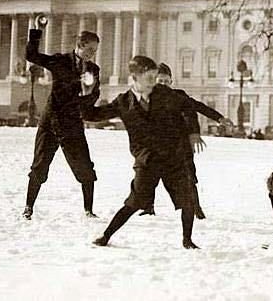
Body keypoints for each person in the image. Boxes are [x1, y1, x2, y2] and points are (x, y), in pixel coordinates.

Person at [84, 56, 203, 250]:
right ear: (135, 78)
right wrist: (89, 93)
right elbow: (93, 115)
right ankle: (106, 236)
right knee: (135, 202)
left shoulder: (164, 94)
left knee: (187, 200)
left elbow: (188, 106)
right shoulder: (124, 102)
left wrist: (193, 132)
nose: (153, 82)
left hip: (172, 157)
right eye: (149, 78)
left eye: (155, 77)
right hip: (147, 160)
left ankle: (187, 240)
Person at [23, 26, 101, 220]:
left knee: (85, 168)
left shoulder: (93, 70)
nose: (92, 54)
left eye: (95, 51)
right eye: (90, 50)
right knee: (39, 167)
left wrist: (88, 93)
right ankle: (28, 207)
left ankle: (89, 210)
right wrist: (36, 31)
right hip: (50, 122)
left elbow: (95, 96)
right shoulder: (60, 61)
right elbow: (32, 55)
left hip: (72, 124)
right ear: (79, 45)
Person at [141, 62, 234, 219]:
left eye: (166, 81)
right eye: (159, 81)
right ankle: (148, 207)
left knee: (188, 176)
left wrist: (219, 118)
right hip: (157, 144)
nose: (163, 85)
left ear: (171, 82)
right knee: (150, 175)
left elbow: (198, 106)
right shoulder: (148, 98)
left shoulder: (178, 96)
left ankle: (196, 208)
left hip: (180, 144)